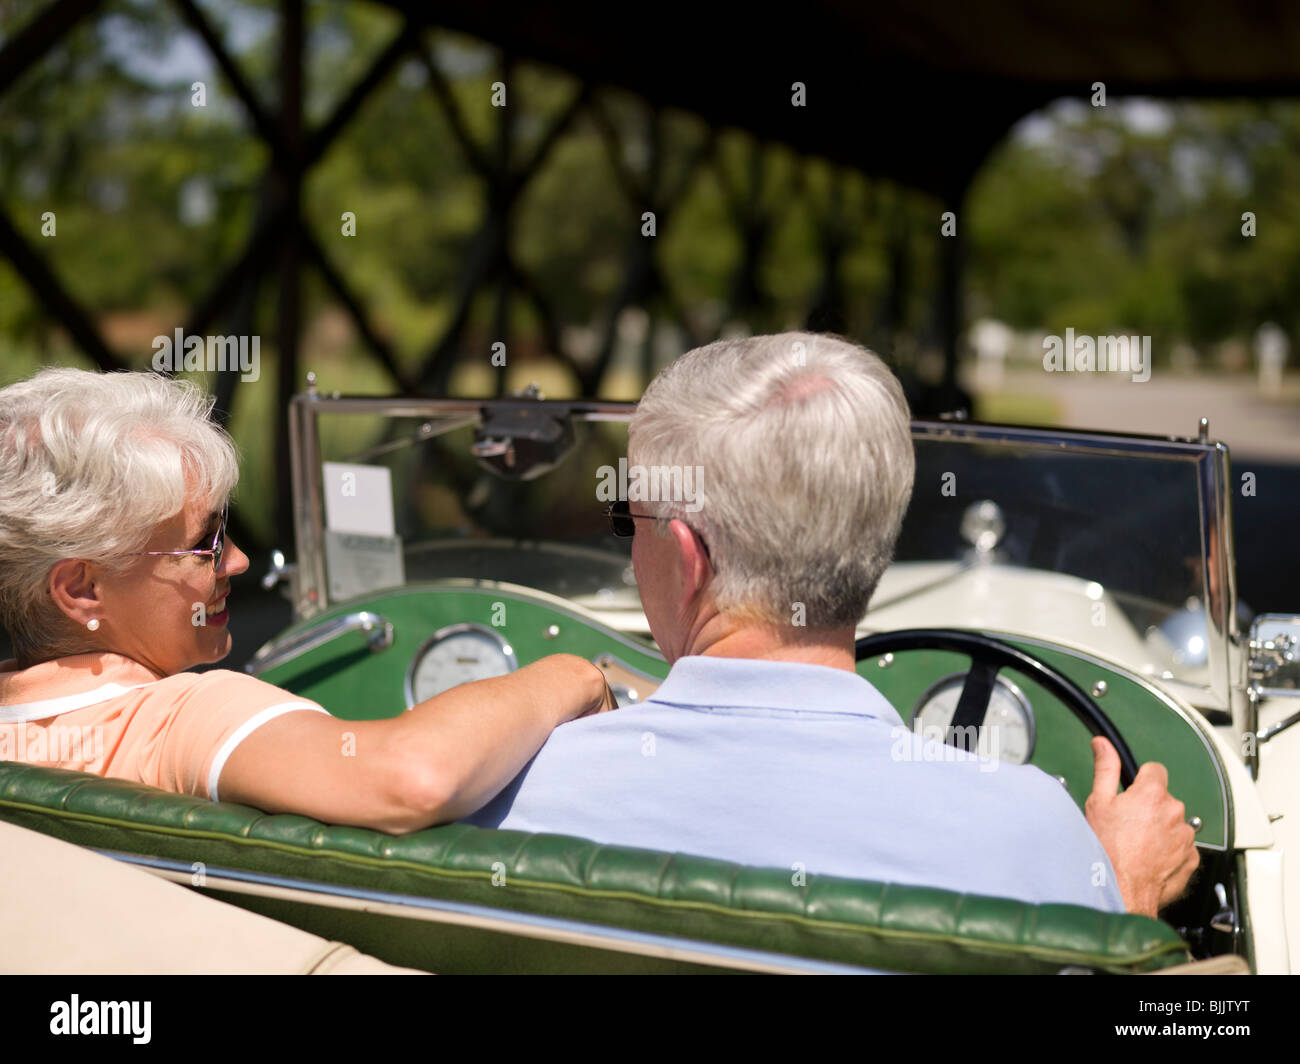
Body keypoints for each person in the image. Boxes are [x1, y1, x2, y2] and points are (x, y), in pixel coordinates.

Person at [465, 332, 1199, 916]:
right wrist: (1121, 897)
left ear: (688, 559)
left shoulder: (512, 797)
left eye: (630, 517)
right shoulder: (1035, 835)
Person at [0, 368, 612, 832]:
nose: (237, 560)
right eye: (205, 542)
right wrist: (572, 675)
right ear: (82, 589)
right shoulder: (180, 718)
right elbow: (411, 780)